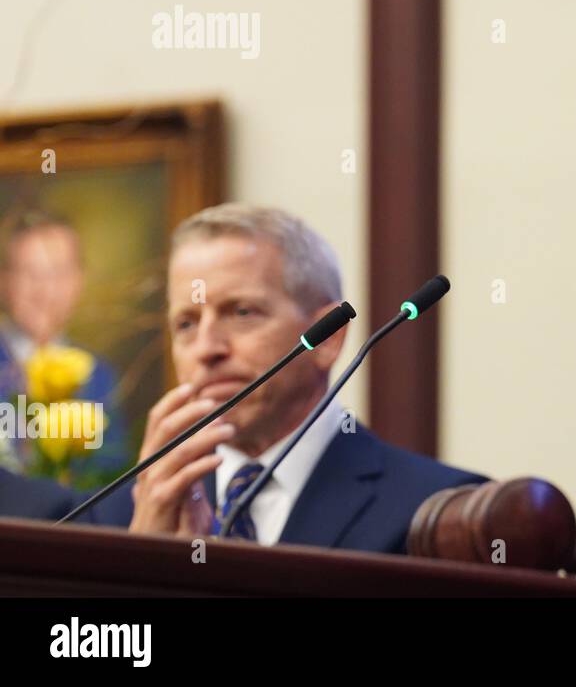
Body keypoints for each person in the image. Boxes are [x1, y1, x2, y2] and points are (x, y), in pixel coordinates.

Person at [1, 203, 484, 556]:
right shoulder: (115, 518)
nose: (207, 348)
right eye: (186, 324)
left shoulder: (441, 515)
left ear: (330, 338)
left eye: (241, 312)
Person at [0, 209, 126, 479]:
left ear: (79, 281)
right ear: (5, 280)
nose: (45, 290)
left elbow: (110, 474)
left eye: (59, 273)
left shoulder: (98, 374)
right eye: (30, 273)